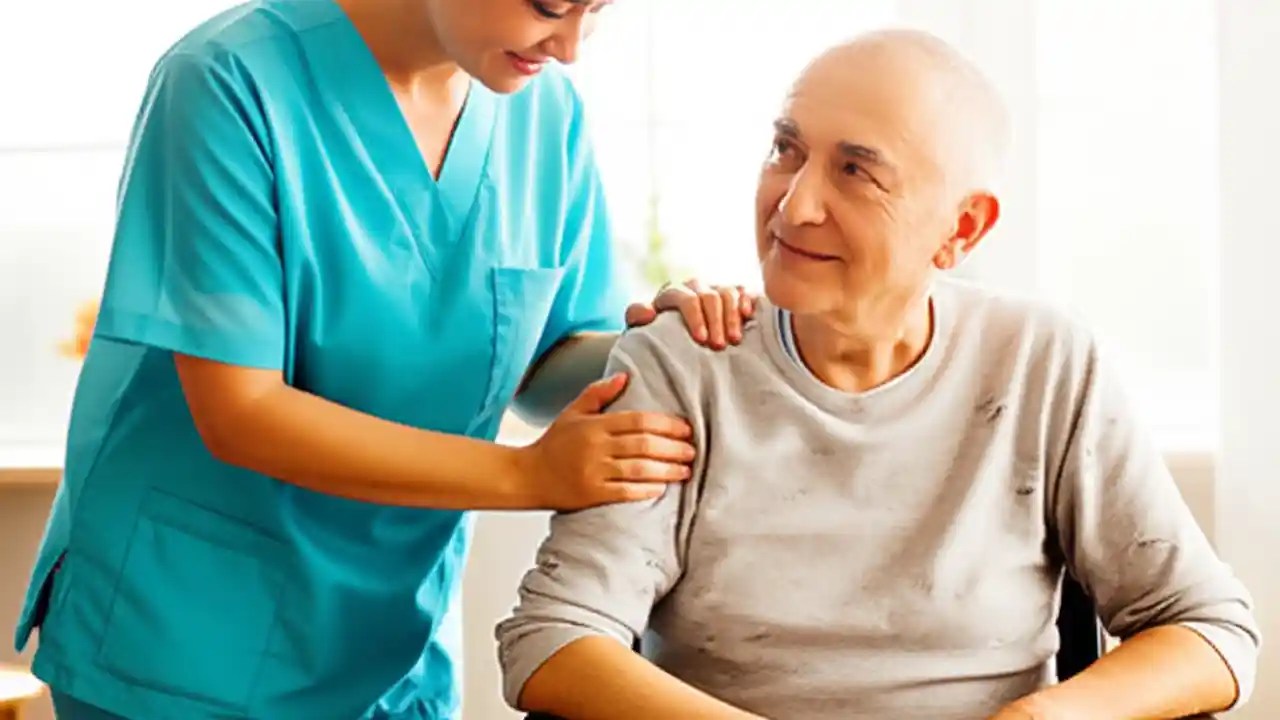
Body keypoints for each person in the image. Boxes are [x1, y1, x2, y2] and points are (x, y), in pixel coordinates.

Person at [12, 0, 755, 718]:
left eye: (598, 11)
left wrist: (672, 345)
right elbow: (241, 412)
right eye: (549, 5)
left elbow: (544, 365)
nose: (570, 48)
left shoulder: (542, 113)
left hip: (393, 643)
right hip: (188, 637)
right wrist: (528, 475)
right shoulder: (224, 82)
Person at [495, 29, 1261, 720]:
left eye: (856, 171)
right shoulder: (684, 361)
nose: (794, 207)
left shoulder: (1041, 360)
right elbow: (554, 639)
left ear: (961, 229)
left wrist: (1046, 717)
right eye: (784, 150)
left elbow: (1210, 629)